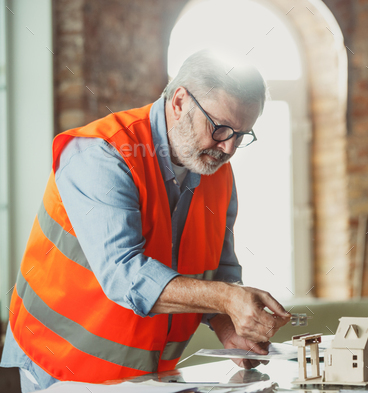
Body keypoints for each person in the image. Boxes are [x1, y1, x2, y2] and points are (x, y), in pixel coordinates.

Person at [0, 50, 291, 391]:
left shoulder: (217, 171)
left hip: (149, 377)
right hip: (62, 367)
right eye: (221, 128)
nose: (228, 149)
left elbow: (220, 267)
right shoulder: (103, 154)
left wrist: (228, 325)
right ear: (180, 101)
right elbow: (124, 275)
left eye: (242, 135)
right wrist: (227, 298)